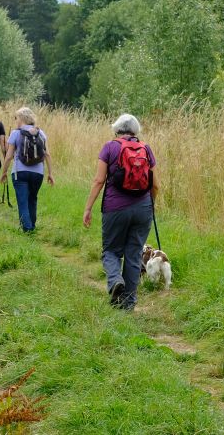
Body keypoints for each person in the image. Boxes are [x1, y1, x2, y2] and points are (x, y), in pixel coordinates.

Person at [82, 113, 158, 311]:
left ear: (116, 129)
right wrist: (151, 207)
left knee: (111, 251)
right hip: (143, 208)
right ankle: (128, 303)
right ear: (135, 130)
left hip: (115, 208)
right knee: (133, 255)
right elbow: (155, 185)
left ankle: (115, 281)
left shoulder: (110, 147)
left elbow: (99, 181)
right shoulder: (146, 149)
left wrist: (88, 208)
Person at [0, 107, 54, 232]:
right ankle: (31, 227)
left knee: (22, 201)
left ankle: (27, 229)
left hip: (20, 172)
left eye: (16, 118)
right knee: (32, 199)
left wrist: (4, 173)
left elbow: (9, 156)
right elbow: (47, 154)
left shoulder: (16, 133)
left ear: (22, 119)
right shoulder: (41, 133)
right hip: (38, 173)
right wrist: (50, 173)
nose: (16, 120)